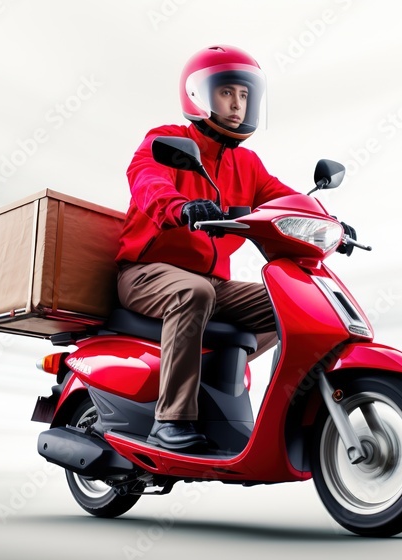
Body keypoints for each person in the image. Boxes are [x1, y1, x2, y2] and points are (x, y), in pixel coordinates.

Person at [115, 45, 302, 451]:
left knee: (291, 301)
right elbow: (147, 180)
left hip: (213, 284)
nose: (237, 104)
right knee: (192, 292)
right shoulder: (166, 141)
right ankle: (170, 422)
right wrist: (181, 207)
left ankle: (217, 384)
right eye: (226, 93)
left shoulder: (247, 164)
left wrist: (326, 220)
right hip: (147, 273)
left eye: (244, 95)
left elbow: (283, 199)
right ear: (199, 96)